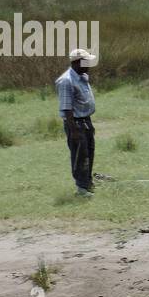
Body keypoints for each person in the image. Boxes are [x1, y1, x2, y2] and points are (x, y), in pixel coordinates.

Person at [56, 47, 97, 197]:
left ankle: (87, 182)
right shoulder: (66, 81)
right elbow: (66, 109)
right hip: (76, 123)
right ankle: (81, 189)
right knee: (80, 154)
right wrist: (74, 131)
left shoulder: (82, 76)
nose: (89, 65)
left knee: (89, 152)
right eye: (86, 61)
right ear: (78, 62)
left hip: (86, 121)